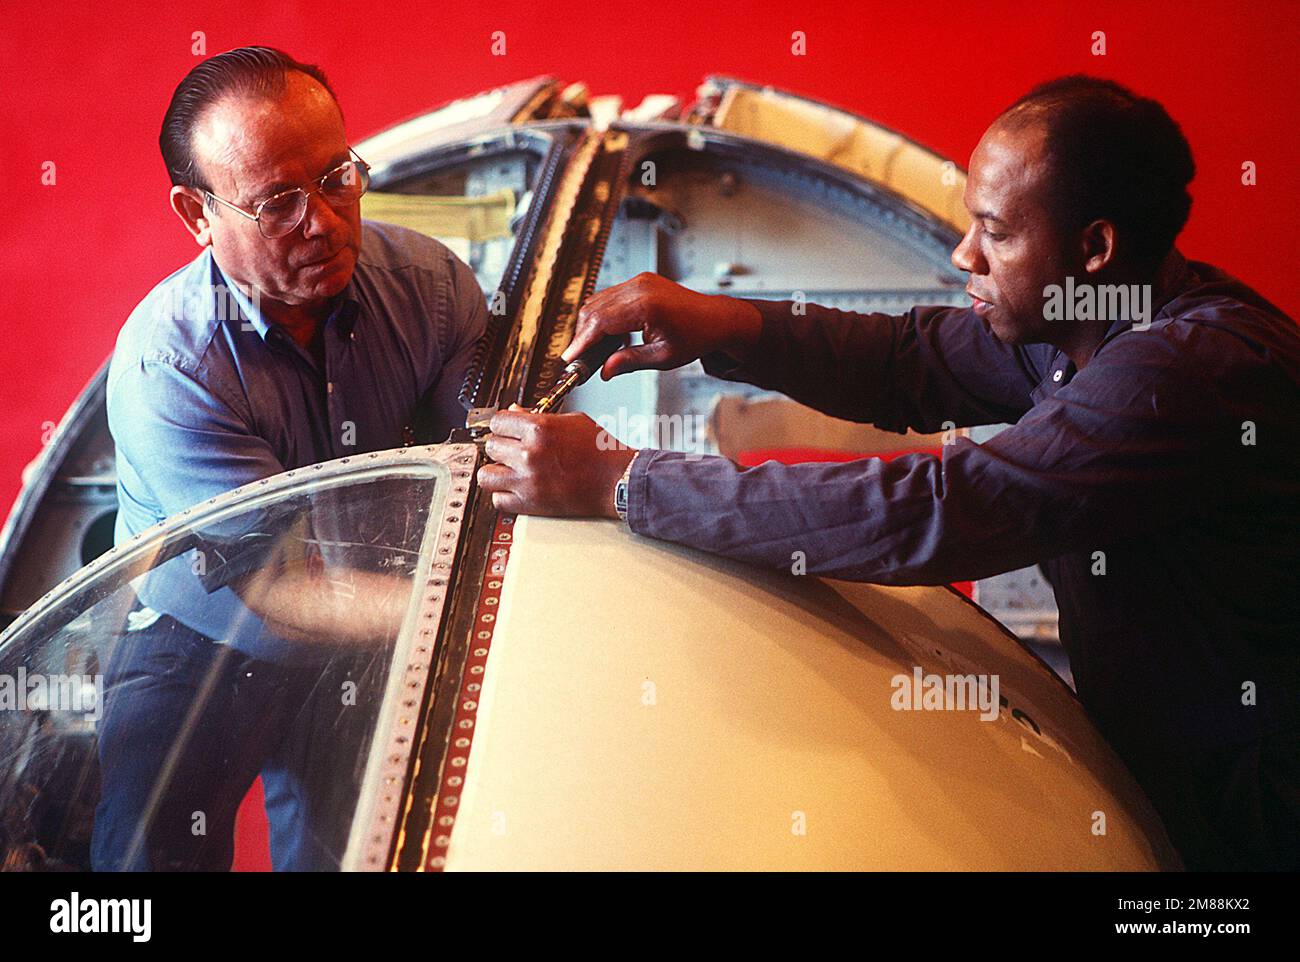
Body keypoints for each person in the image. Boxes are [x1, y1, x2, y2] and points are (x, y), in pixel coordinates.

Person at [479, 76, 1300, 871]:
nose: (964, 251)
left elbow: (939, 511)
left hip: (1257, 806)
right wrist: (723, 320)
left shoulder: (1182, 374)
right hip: (1184, 767)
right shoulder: (1097, 317)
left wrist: (622, 482)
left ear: (1094, 248)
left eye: (997, 231)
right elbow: (909, 359)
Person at [96, 46, 488, 870]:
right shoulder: (167, 367)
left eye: (338, 176)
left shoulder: (435, 290)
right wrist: (474, 614)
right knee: (143, 866)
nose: (324, 220)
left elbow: (489, 479)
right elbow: (278, 583)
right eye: (277, 201)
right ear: (196, 215)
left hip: (376, 606)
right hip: (203, 629)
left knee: (348, 852)